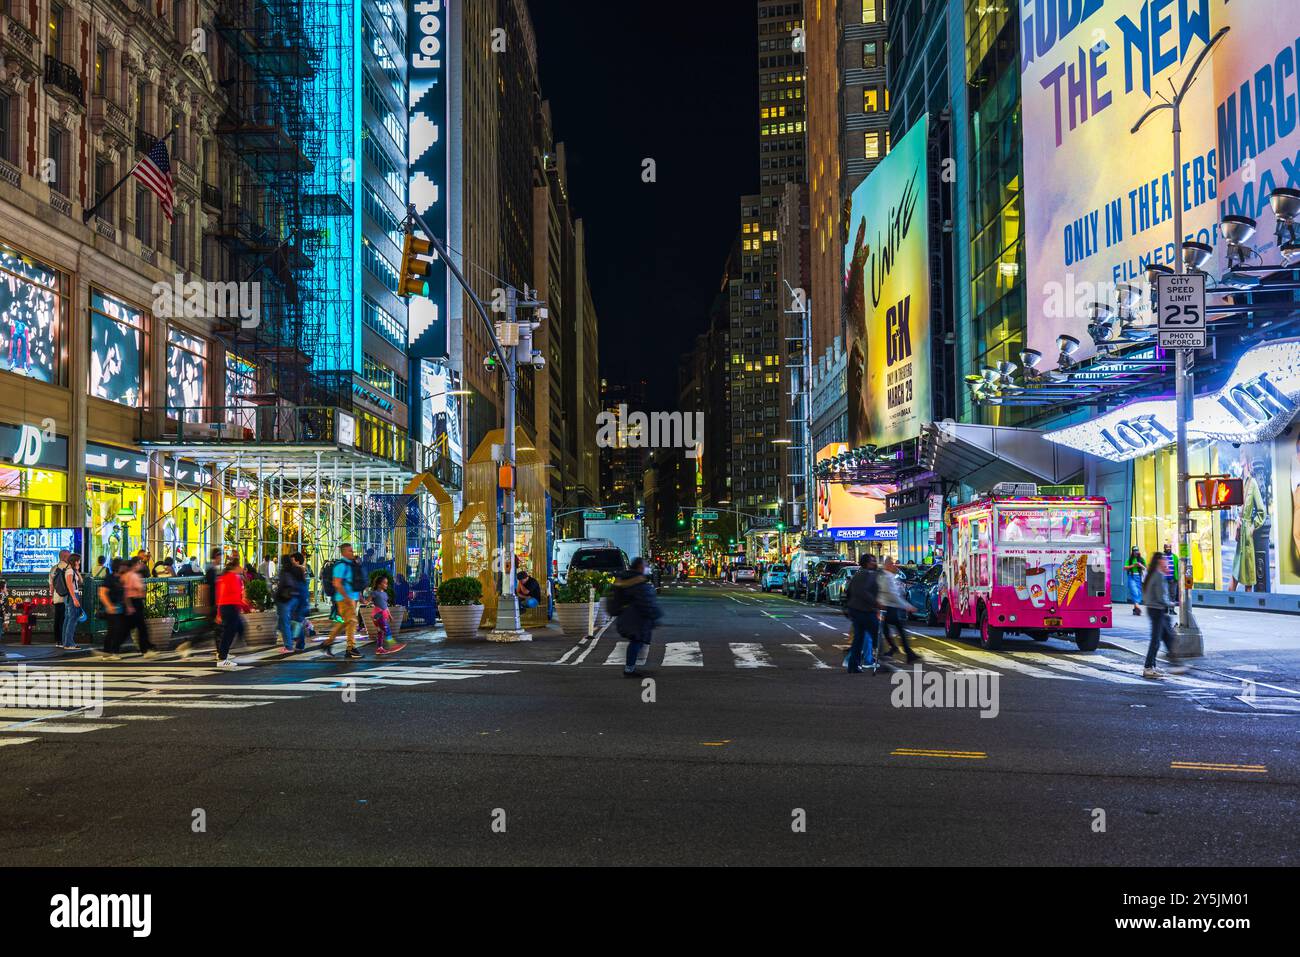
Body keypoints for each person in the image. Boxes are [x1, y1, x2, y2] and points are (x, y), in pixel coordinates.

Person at [609, 557, 662, 677]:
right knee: (637, 641)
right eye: (645, 565)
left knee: (637, 641)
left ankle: (631, 666)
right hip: (635, 617)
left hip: (626, 616)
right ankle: (629, 669)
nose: (647, 568)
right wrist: (654, 615)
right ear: (639, 567)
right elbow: (645, 601)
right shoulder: (638, 581)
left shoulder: (623, 578)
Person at [1142, 552, 1187, 679]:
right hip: (1157, 610)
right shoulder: (1159, 576)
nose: (1166, 562)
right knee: (1156, 640)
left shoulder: (1152, 574)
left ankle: (1156, 666)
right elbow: (1161, 597)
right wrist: (1172, 603)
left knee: (1165, 637)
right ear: (1159, 561)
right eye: (1164, 560)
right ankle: (1148, 667)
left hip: (1154, 609)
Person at [323, 543, 364, 659]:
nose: (352, 553)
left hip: (352, 598)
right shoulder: (340, 566)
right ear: (344, 552)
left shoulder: (351, 565)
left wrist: (360, 597)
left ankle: (327, 643)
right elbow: (337, 583)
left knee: (346, 622)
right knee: (352, 621)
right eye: (350, 551)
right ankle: (351, 648)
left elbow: (355, 582)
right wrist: (346, 597)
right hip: (344, 599)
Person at [877, 556, 919, 662]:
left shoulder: (885, 576)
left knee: (886, 630)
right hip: (889, 607)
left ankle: (895, 649)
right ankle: (907, 653)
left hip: (885, 607)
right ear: (887, 566)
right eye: (891, 564)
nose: (894, 566)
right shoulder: (887, 577)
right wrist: (908, 606)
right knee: (899, 630)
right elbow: (893, 595)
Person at [844, 554, 880, 674]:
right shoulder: (867, 574)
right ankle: (882, 660)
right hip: (864, 610)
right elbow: (864, 592)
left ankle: (853, 665)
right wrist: (876, 602)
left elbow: (849, 591)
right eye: (872, 561)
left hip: (856, 609)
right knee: (877, 634)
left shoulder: (858, 574)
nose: (875, 563)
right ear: (866, 563)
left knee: (859, 638)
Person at [214, 557, 249, 668]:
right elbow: (236, 595)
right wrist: (245, 607)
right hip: (232, 607)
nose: (242, 568)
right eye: (240, 566)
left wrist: (219, 612)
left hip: (225, 607)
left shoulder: (224, 577)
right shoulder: (234, 578)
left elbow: (220, 595)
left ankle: (225, 653)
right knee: (229, 632)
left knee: (236, 628)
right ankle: (223, 657)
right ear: (235, 567)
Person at [122, 556, 156, 657]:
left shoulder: (133, 575)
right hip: (134, 602)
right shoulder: (132, 576)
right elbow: (127, 592)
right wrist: (129, 606)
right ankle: (146, 649)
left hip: (134, 603)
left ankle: (146, 648)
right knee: (141, 628)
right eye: (139, 563)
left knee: (137, 628)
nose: (141, 564)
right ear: (135, 564)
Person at [97, 558, 129, 660]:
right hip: (112, 608)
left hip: (121, 608)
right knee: (113, 631)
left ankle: (113, 651)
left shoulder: (122, 578)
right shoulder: (110, 578)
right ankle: (108, 652)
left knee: (121, 630)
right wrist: (109, 605)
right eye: (122, 565)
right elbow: (102, 592)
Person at [275, 552, 307, 653]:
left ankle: (289, 646)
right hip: (298, 598)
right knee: (298, 621)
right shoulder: (297, 570)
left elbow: (283, 585)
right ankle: (300, 644)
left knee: (284, 623)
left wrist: (276, 596)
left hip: (286, 599)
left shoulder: (286, 571)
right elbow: (302, 585)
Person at [369, 574, 405, 655]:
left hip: (383, 614)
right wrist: (360, 597)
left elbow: (385, 606)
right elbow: (366, 601)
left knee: (381, 632)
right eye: (384, 583)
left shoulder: (385, 594)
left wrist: (390, 616)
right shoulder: (374, 593)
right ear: (379, 584)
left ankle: (379, 648)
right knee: (387, 630)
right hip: (378, 614)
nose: (386, 585)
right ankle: (393, 645)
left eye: (387, 583)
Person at [55, 554, 85, 650]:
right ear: (75, 561)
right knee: (72, 619)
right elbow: (70, 586)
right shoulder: (69, 571)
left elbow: (81, 581)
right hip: (72, 596)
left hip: (71, 596)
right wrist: (75, 599)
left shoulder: (72, 571)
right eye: (79, 561)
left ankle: (66, 642)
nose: (80, 562)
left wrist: (77, 570)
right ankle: (68, 643)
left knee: (68, 619)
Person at [47, 549, 70, 648]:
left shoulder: (53, 568)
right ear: (65, 557)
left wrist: (52, 596)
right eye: (69, 556)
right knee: (67, 619)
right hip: (67, 597)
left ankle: (58, 640)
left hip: (57, 597)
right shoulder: (69, 568)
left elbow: (51, 586)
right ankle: (66, 639)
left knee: (58, 619)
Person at [1123, 547, 1146, 615]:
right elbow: (1124, 568)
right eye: (1134, 551)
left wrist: (1140, 565)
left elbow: (1145, 568)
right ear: (1132, 552)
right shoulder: (1129, 559)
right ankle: (1137, 607)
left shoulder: (1141, 559)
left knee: (1138, 592)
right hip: (1131, 576)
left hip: (1139, 577)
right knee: (1134, 591)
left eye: (1137, 551)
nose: (1136, 553)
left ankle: (1135, 609)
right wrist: (1133, 565)